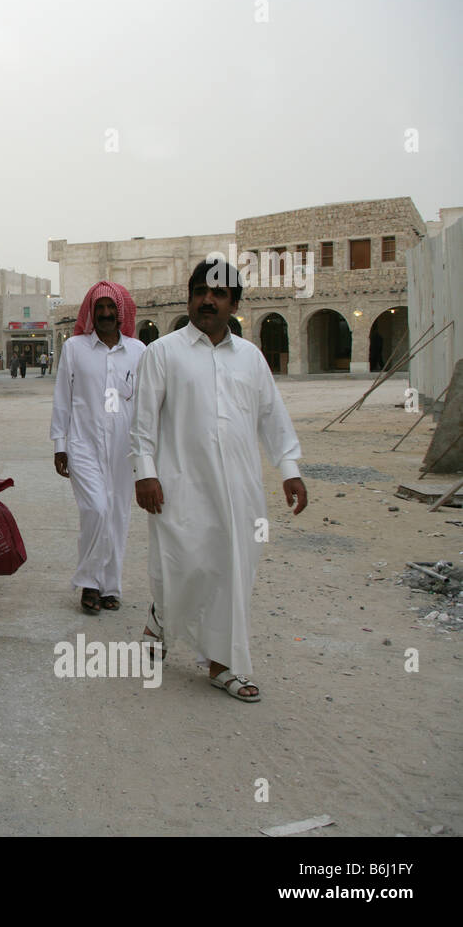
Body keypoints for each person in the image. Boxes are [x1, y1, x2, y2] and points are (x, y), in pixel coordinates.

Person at [130, 259, 307, 702]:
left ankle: (223, 665)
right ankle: (162, 618)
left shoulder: (250, 357)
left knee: (231, 570)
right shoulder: (163, 352)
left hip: (240, 490)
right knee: (183, 565)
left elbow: (272, 416)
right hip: (180, 485)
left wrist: (289, 469)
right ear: (189, 297)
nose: (208, 300)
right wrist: (145, 474)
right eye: (200, 291)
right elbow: (142, 423)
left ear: (234, 303)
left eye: (219, 293)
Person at [50, 281, 145, 614]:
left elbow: (145, 403)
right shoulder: (75, 348)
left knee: (117, 514)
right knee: (96, 509)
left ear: (121, 313)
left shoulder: (138, 351)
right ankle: (89, 582)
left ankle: (109, 586)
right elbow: (63, 398)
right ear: (91, 312)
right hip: (83, 443)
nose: (105, 313)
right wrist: (60, 445)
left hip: (123, 448)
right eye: (100, 307)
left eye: (111, 308)